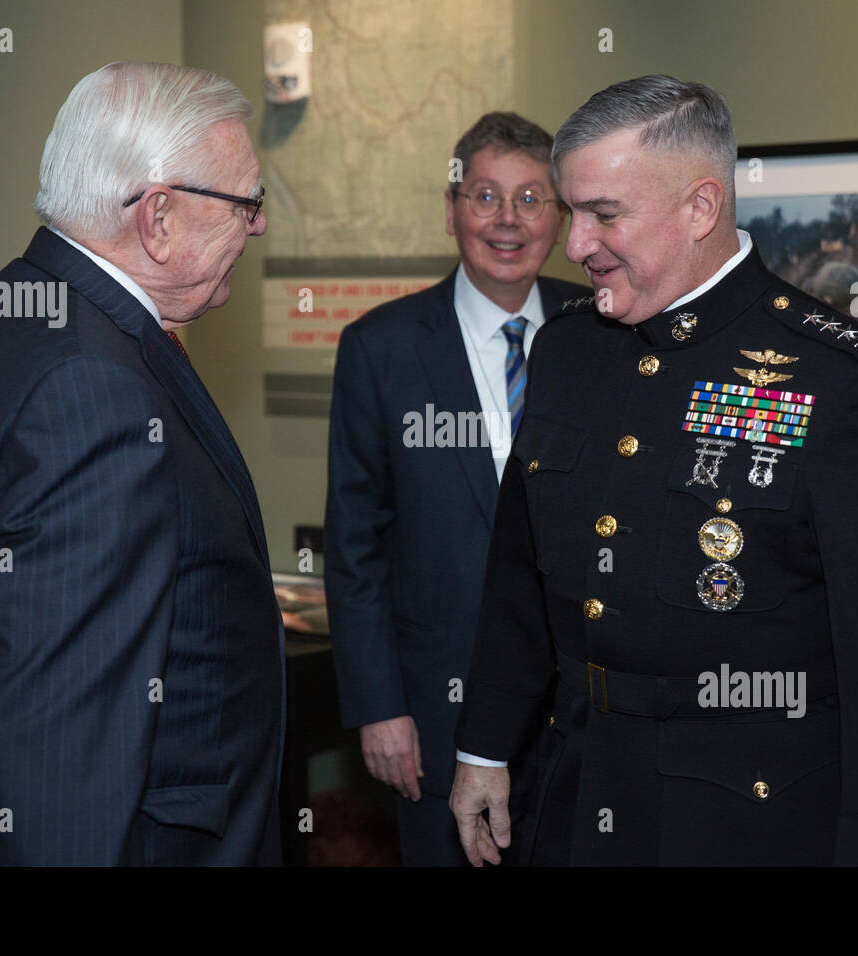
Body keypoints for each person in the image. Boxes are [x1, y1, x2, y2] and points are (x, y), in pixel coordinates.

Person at [449, 76, 858, 866]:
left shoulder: (841, 382)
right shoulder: (567, 350)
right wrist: (485, 747)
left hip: (743, 824)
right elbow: (519, 577)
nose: (574, 245)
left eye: (604, 214)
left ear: (700, 207)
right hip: (575, 796)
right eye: (573, 210)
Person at [0, 62, 284, 865]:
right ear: (160, 217)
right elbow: (61, 757)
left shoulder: (8, 312)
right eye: (247, 203)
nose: (258, 227)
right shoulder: (93, 385)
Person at [325, 112, 589, 865]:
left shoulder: (601, 329)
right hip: (440, 710)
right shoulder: (381, 349)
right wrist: (380, 708)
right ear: (451, 211)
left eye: (532, 198)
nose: (508, 221)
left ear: (560, 216)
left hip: (579, 711)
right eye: (485, 196)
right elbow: (355, 545)